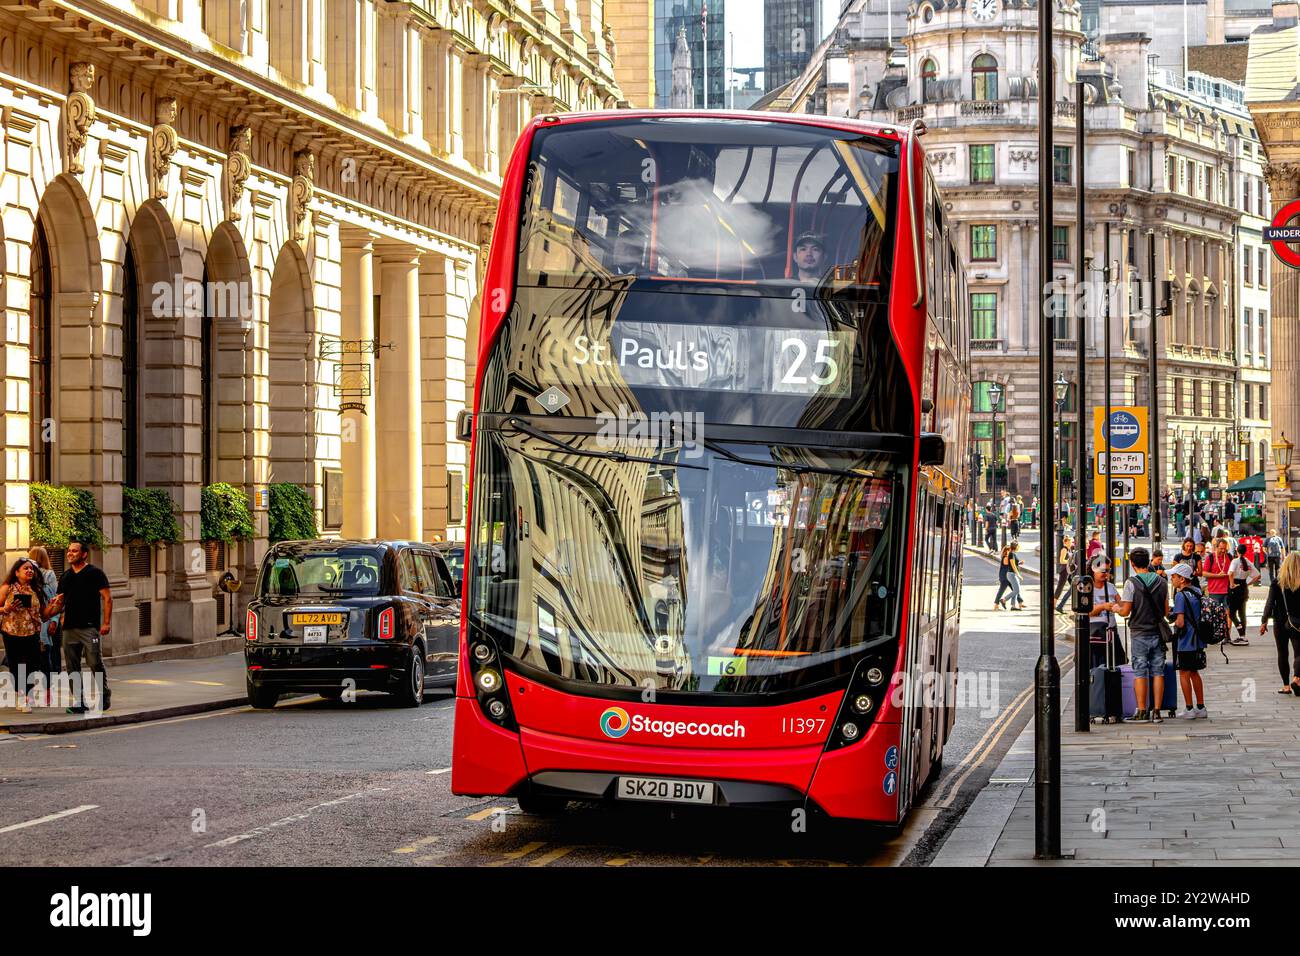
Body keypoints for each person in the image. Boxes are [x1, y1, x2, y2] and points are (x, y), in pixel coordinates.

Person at [48, 539, 112, 714]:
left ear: (84, 554)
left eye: (74, 551)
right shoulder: (65, 577)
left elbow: (107, 598)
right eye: (69, 551)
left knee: (94, 663)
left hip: (90, 627)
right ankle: (79, 701)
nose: (70, 553)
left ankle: (103, 694)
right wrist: (49, 614)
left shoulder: (95, 573)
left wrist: (106, 622)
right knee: (72, 666)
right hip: (69, 628)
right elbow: (60, 602)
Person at [1113, 547, 1169, 723]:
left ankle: (1142, 711)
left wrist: (1117, 608)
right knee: (1158, 671)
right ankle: (1158, 712)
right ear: (1148, 561)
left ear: (1132, 563)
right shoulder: (1162, 582)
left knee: (1140, 672)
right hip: (1157, 633)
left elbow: (1125, 611)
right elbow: (1166, 611)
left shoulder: (1131, 583)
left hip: (1139, 632)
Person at [0, 558, 46, 714]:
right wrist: (6, 608)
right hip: (11, 632)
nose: (29, 571)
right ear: (17, 572)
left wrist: (56, 606)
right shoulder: (7, 588)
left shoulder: (36, 590)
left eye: (31, 569)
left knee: (33, 664)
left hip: (32, 631)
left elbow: (44, 613)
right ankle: (22, 696)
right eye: (26, 568)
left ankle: (26, 693)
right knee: (17, 665)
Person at [1167, 562, 1208, 719]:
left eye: (1174, 576)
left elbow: (1181, 622)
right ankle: (1201, 707)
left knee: (1184, 673)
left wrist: (1172, 620)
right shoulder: (1197, 591)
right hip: (1198, 640)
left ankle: (1189, 709)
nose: (1172, 579)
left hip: (1186, 641)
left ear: (1182, 579)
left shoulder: (1180, 595)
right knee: (1194, 673)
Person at [1261, 551, 1300, 697]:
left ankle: (1285, 686)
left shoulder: (1277, 582)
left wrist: (1263, 621)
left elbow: (1269, 603)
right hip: (1298, 623)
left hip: (1280, 622)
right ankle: (1297, 678)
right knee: (1299, 653)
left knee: (1282, 653)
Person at [28, 546, 59, 705]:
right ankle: (30, 694)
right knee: (30, 660)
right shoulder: (26, 575)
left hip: (43, 620)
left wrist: (54, 620)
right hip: (28, 623)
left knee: (44, 658)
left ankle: (47, 694)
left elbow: (54, 599)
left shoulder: (48, 574)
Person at [1087, 554, 1124, 669]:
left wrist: (1119, 607)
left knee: (1114, 667)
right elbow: (1086, 612)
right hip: (1095, 635)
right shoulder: (1087, 588)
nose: (1106, 573)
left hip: (1111, 634)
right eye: (1103, 570)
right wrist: (1103, 606)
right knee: (1096, 669)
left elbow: (1122, 605)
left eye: (1108, 570)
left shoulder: (1111, 587)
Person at [1226, 543, 1261, 643]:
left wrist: (1232, 583)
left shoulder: (1235, 561)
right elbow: (1258, 576)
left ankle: (1240, 630)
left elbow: (1230, 573)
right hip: (1243, 587)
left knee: (1232, 613)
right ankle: (1243, 636)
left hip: (1235, 588)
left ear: (1237, 551)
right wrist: (1248, 584)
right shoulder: (1248, 562)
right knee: (1242, 613)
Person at [994, 541, 1026, 610]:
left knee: (1015, 590)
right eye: (1008, 550)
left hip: (1007, 575)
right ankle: (999, 603)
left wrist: (1019, 563)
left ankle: (1016, 604)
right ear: (1006, 551)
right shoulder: (1006, 557)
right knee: (1003, 590)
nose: (1009, 551)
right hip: (1005, 576)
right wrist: (1018, 574)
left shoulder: (1010, 555)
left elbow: (1012, 564)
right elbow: (1011, 564)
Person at [1053, 534, 1075, 614]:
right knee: (1060, 587)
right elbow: (1061, 561)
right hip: (1064, 571)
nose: (1071, 543)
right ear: (1065, 542)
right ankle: (1054, 604)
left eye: (1071, 542)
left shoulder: (1069, 549)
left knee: (1074, 587)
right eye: (1070, 542)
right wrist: (1070, 562)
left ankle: (1061, 605)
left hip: (1069, 570)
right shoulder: (1064, 549)